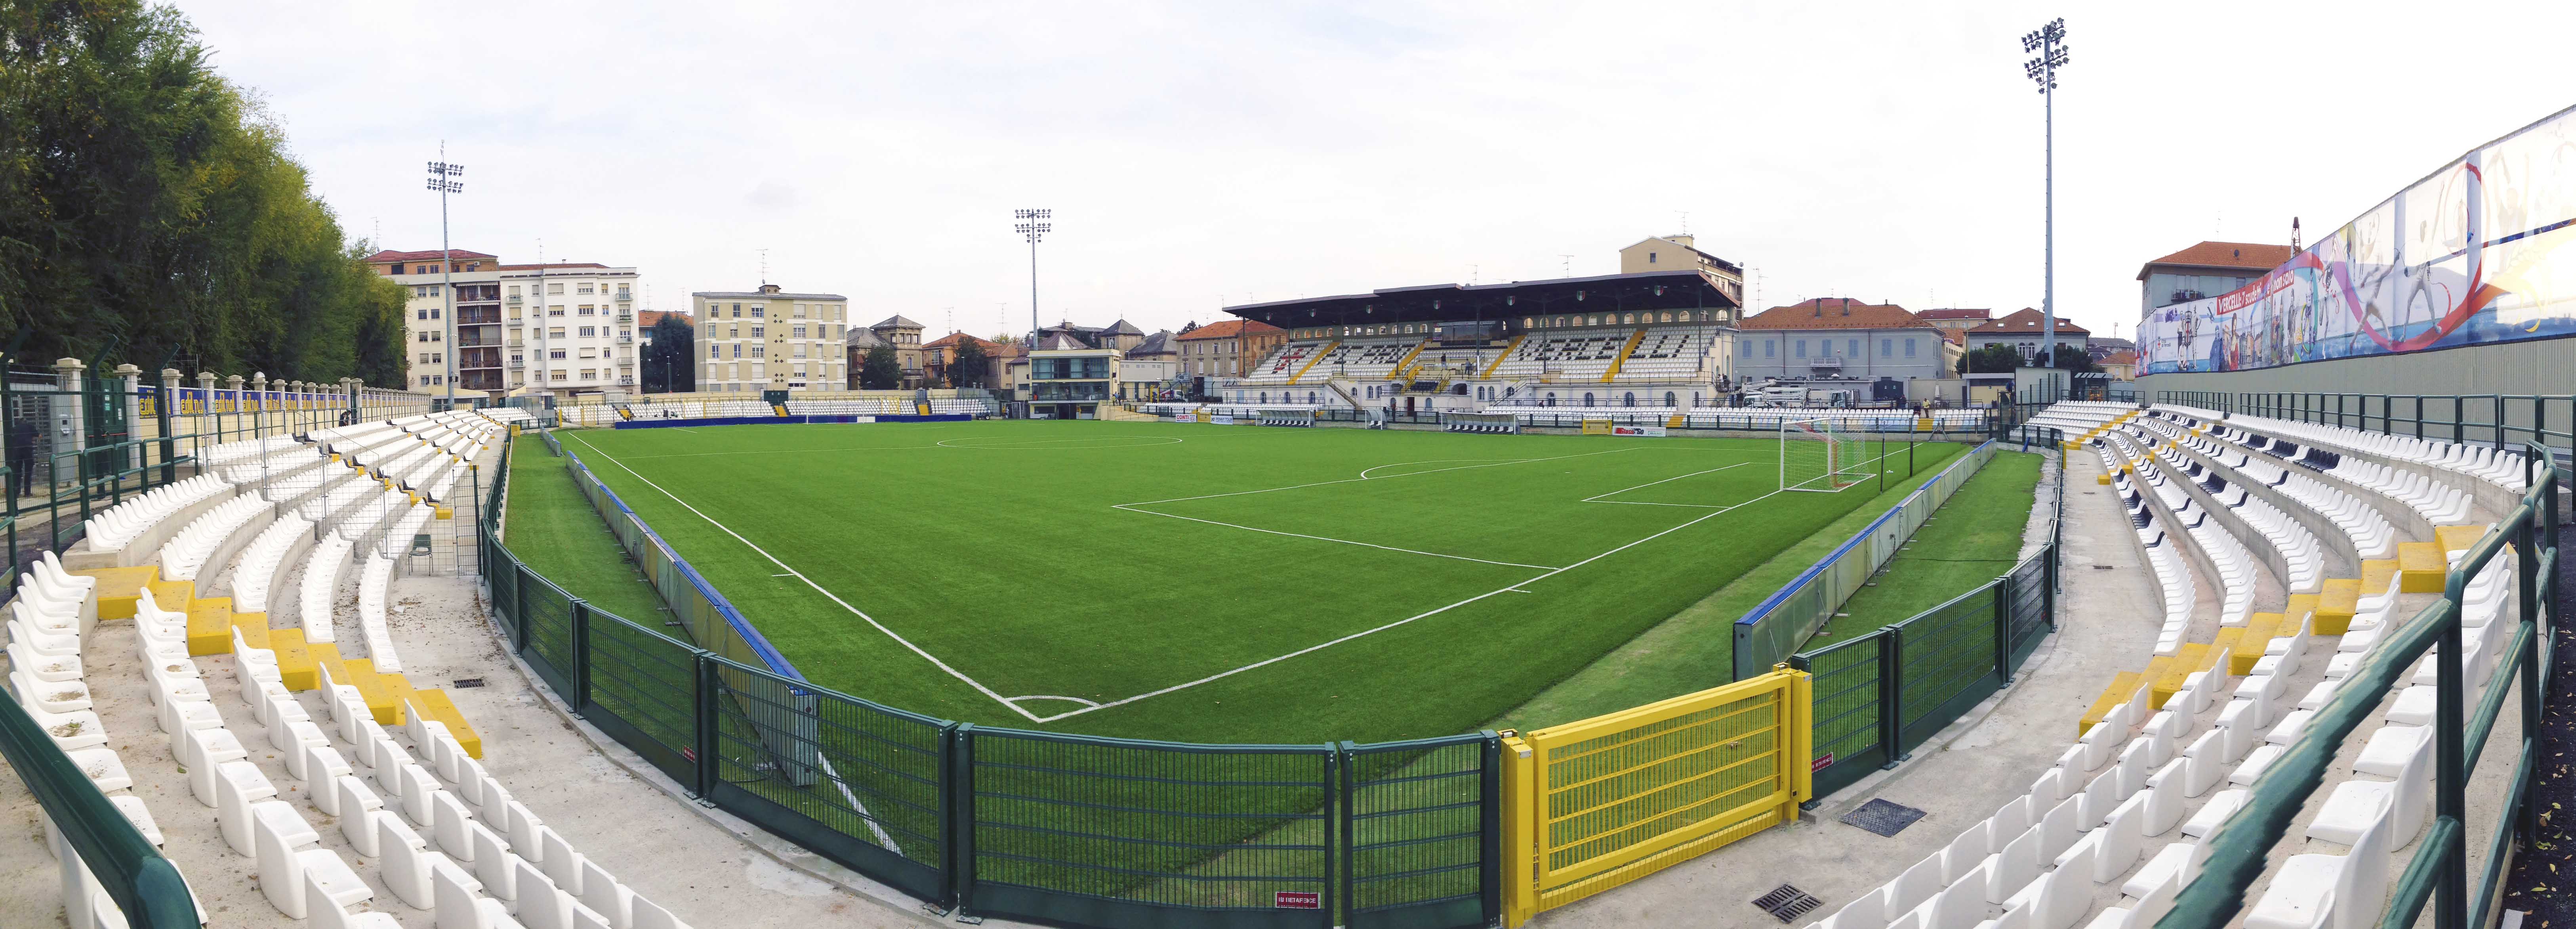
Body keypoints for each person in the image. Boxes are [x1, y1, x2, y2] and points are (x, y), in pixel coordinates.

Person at [8, 416, 35, 498]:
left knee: (17, 473)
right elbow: (38, 435)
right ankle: (27, 493)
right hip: (28, 451)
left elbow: (12, 439)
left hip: (17, 452)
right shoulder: (30, 427)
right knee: (28, 472)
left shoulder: (15, 428)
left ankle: (17, 493)